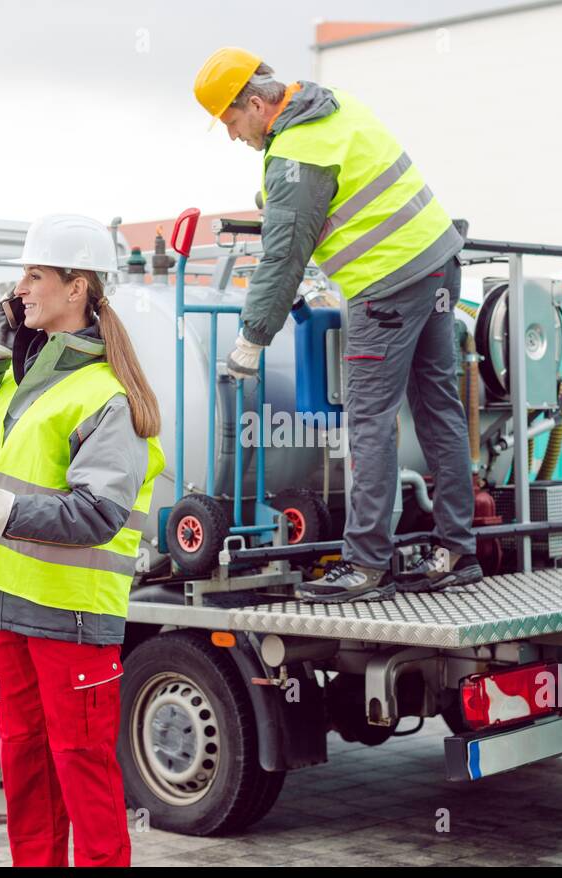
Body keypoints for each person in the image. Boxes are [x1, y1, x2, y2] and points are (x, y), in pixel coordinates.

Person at [192, 47, 482, 603]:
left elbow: (282, 259)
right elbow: (333, 187)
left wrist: (253, 339)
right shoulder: (334, 105)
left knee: (369, 421)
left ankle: (366, 565)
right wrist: (278, 196)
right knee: (439, 407)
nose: (232, 135)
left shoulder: (296, 152)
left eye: (231, 122)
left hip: (388, 284)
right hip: (439, 262)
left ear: (255, 103)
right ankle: (455, 551)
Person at [0, 213, 164, 867]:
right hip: (7, 602)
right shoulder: (21, 376)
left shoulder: (106, 394)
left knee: (83, 773)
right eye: (22, 275)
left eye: (35, 274)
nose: (21, 287)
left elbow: (98, 514)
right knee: (26, 767)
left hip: (73, 614)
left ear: (78, 287)